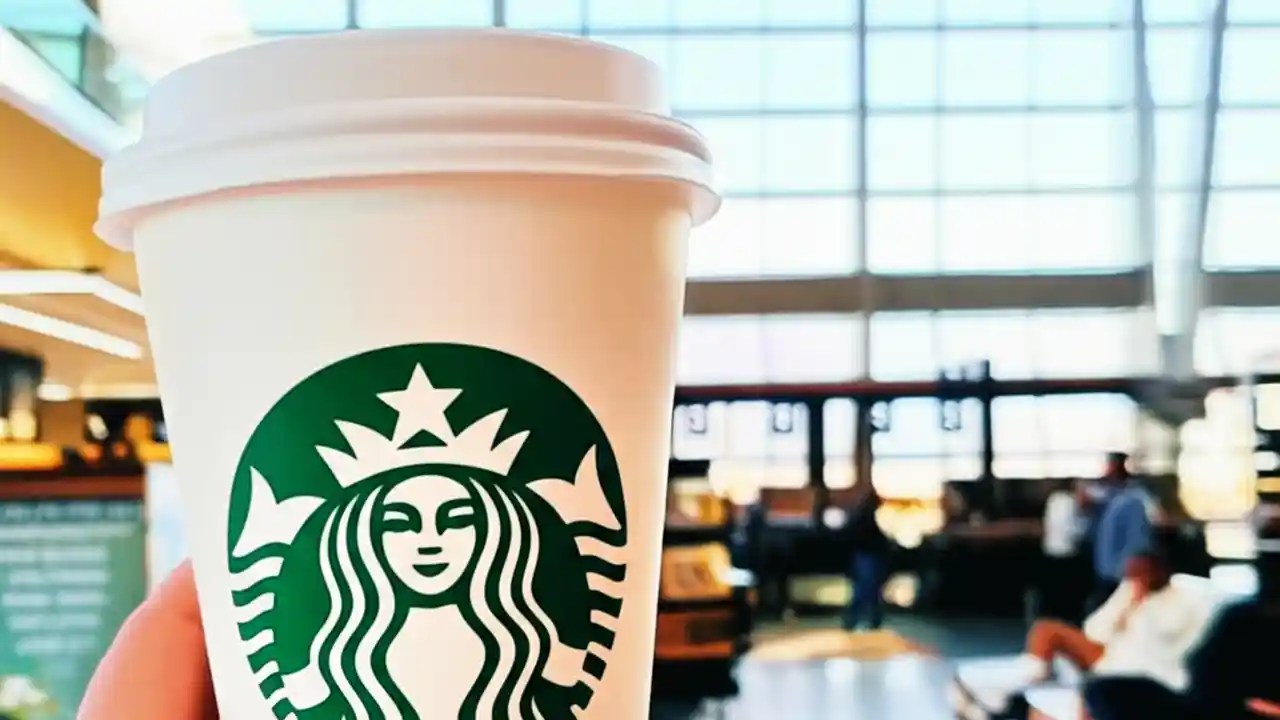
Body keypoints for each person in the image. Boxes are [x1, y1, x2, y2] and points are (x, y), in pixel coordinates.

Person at [1083, 513, 1280, 720]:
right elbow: (1095, 632)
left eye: (1145, 568)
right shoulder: (1129, 593)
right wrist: (1131, 602)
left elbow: (1197, 653)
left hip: (1165, 676)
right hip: (1119, 673)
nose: (1139, 574)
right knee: (1100, 690)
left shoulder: (1193, 595)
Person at [1020, 549, 1205, 689]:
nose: (1135, 578)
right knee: (1044, 629)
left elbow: (1171, 641)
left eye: (1141, 573)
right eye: (1132, 573)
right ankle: (1034, 675)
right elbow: (1093, 630)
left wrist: (1142, 608)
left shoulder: (1184, 599)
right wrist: (1127, 607)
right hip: (1111, 655)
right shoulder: (1129, 590)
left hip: (1143, 670)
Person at [1090, 452, 1153, 613]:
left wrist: (1130, 568)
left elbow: (1138, 539)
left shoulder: (1134, 499)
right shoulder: (1109, 498)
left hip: (1123, 573)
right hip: (1106, 571)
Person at [842, 482, 892, 631]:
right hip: (869, 556)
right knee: (869, 590)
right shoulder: (868, 520)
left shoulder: (860, 518)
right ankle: (870, 619)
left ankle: (855, 619)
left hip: (864, 556)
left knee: (864, 589)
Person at [1039, 478, 1085, 620]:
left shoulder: (1053, 500)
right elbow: (1075, 531)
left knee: (1053, 595)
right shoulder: (1072, 503)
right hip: (1068, 555)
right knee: (1068, 598)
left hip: (1050, 552)